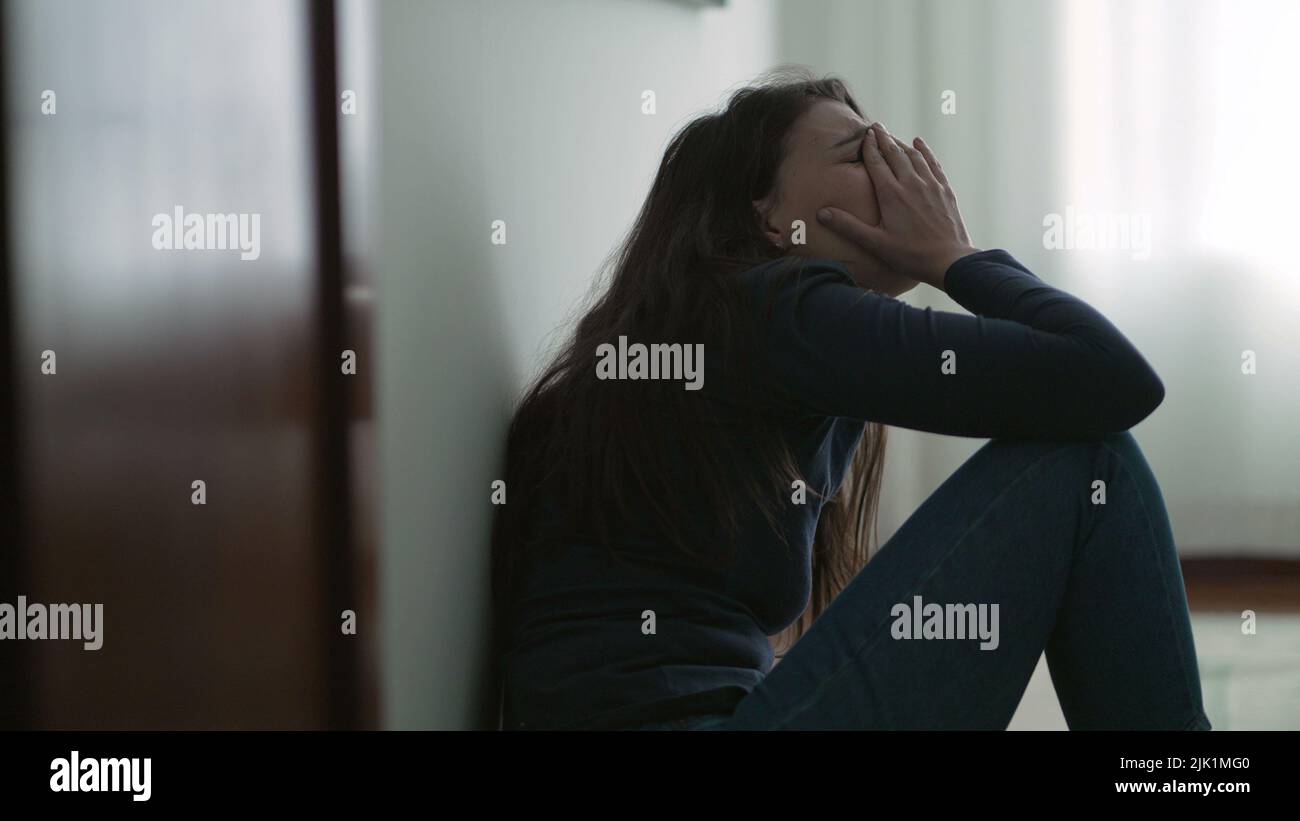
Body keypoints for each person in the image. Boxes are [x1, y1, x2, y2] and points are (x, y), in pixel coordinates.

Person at [490, 67, 1211, 731]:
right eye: (862, 155)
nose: (904, 175)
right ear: (769, 218)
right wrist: (951, 256)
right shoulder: (773, 310)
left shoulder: (742, 334)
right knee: (1091, 466)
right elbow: (1111, 376)